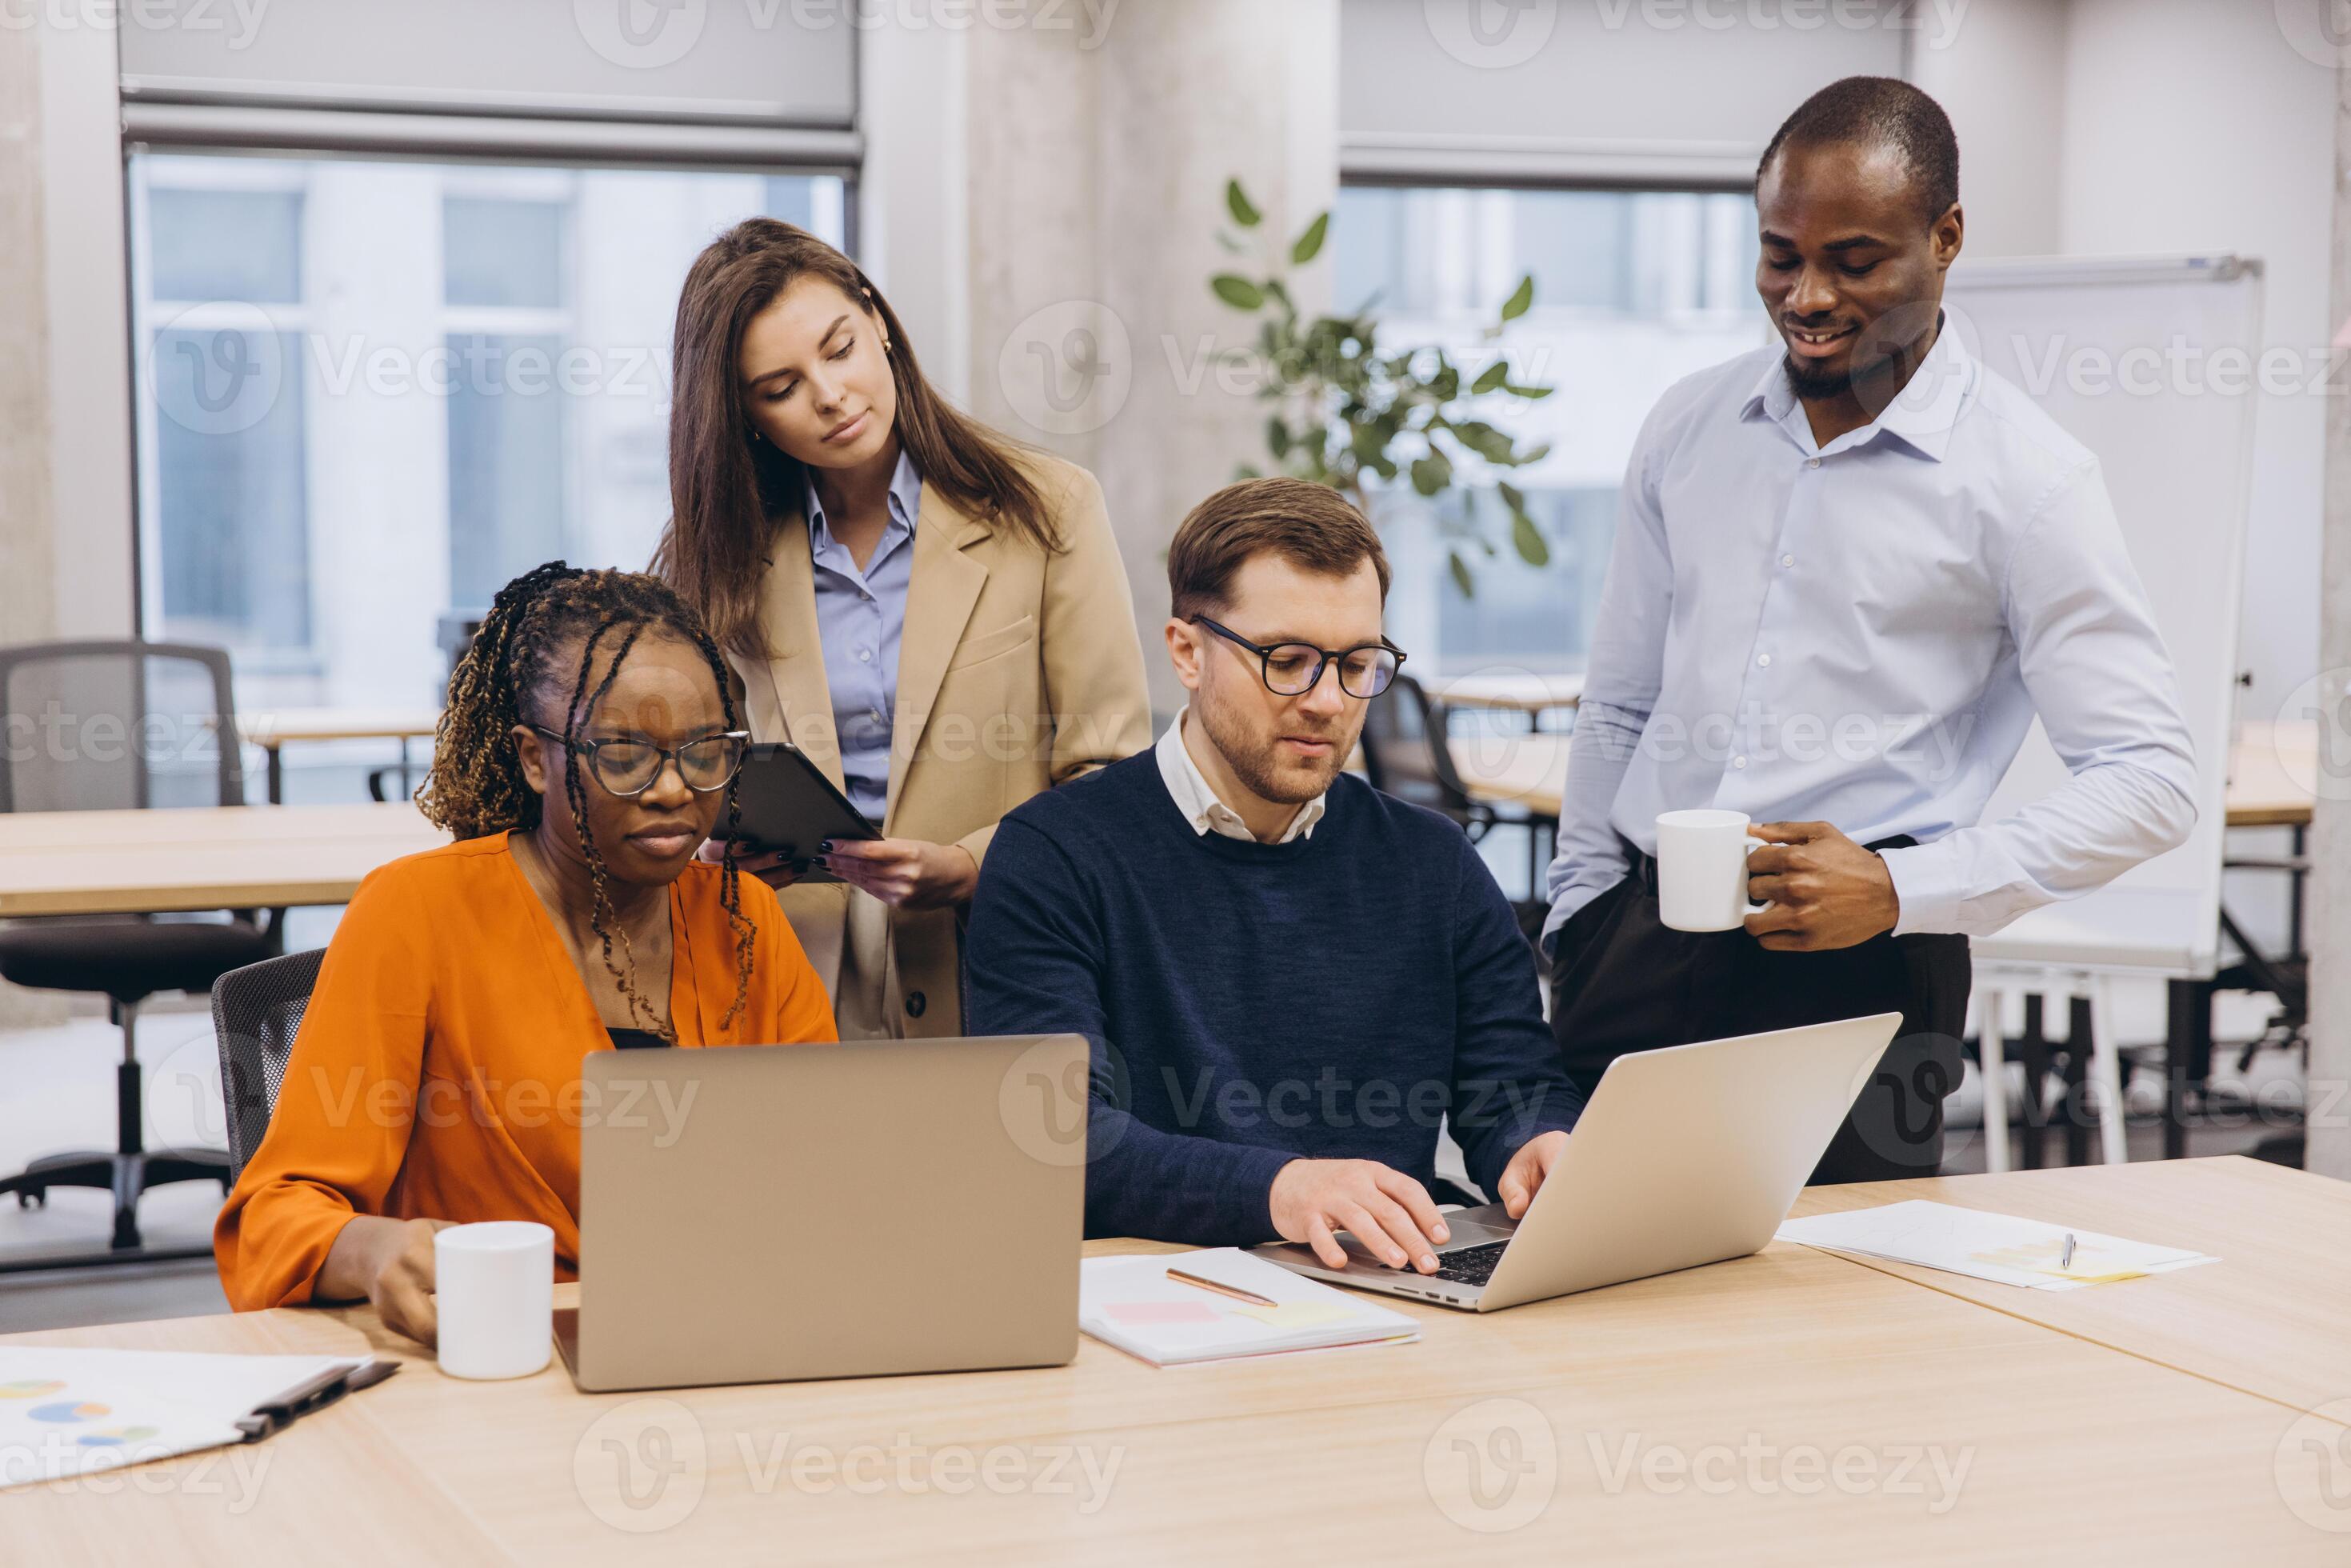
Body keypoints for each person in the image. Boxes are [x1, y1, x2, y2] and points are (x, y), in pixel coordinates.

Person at [1542, 77, 2196, 1182]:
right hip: (1636, 939)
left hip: (1861, 970)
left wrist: (1906, 890)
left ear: (1944, 238)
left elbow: (2151, 780)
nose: (1805, 296)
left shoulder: (2027, 481)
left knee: (1837, 1285)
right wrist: (1579, 910)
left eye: (1852, 261)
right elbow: (1620, 699)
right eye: (1778, 256)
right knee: (1582, 1259)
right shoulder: (1687, 425)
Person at [966, 478, 1581, 1275]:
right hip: (1162, 1290)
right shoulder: (1053, 855)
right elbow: (1055, 1135)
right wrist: (1278, 1189)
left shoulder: (1433, 860)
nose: (1327, 701)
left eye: (1357, 663)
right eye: (1286, 661)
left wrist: (1536, 1142)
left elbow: (1512, 1084)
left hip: (1391, 1278)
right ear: (1187, 652)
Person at [214, 564, 838, 1344]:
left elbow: (827, 1169)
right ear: (536, 759)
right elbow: (275, 1215)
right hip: (494, 1347)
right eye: (624, 756)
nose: (674, 789)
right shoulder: (415, 913)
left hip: (718, 1336)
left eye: (706, 751)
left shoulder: (745, 918)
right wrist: (371, 1249)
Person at [657, 219, 1152, 1041]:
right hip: (793, 979)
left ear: (877, 320)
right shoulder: (723, 556)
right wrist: (715, 853)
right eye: (779, 388)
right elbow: (696, 778)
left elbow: (1110, 778)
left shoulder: (1048, 509)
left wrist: (971, 866)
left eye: (839, 348)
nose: (829, 395)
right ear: (742, 414)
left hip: (998, 965)